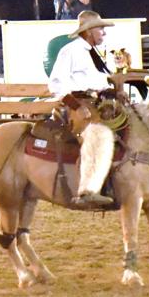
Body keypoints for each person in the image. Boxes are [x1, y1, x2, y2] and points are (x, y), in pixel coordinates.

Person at [48, 11, 117, 207]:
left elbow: (97, 80)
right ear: (89, 31)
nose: (103, 33)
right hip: (78, 104)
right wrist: (77, 106)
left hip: (95, 103)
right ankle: (87, 190)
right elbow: (55, 84)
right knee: (98, 134)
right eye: (100, 29)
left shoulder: (92, 52)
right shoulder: (71, 51)